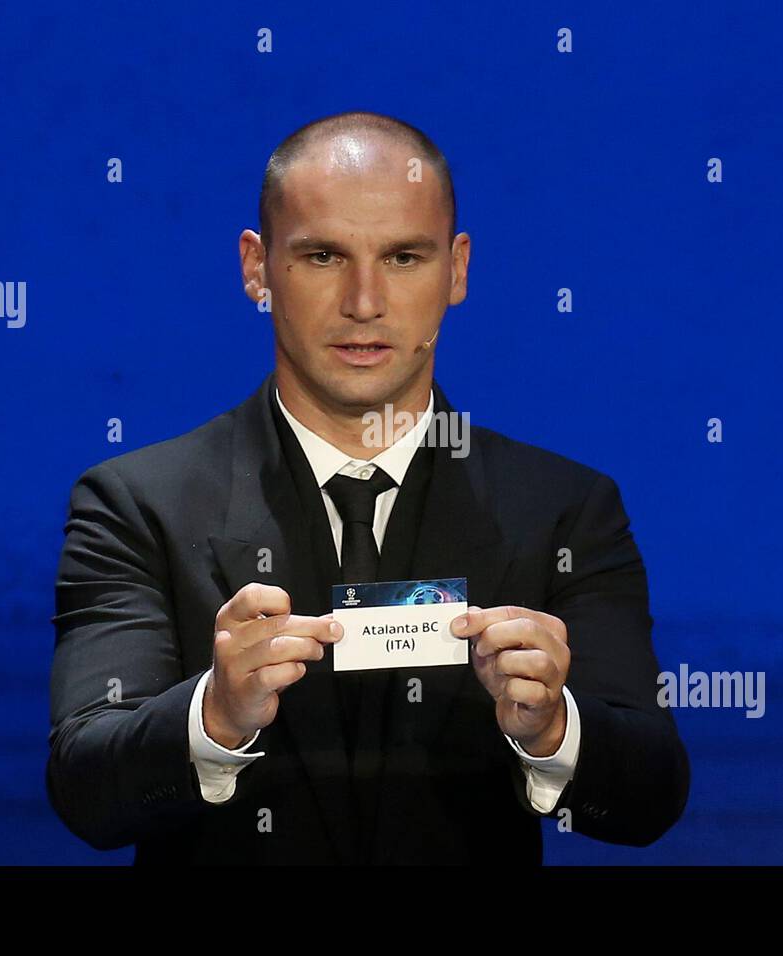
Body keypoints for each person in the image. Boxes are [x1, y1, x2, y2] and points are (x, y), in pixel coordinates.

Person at [46, 110, 690, 864]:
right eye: (322, 255)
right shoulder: (135, 503)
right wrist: (214, 716)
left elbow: (650, 795)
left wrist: (553, 728)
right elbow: (86, 789)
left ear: (457, 269)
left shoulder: (565, 510)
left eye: (404, 257)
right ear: (256, 267)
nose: (363, 302)